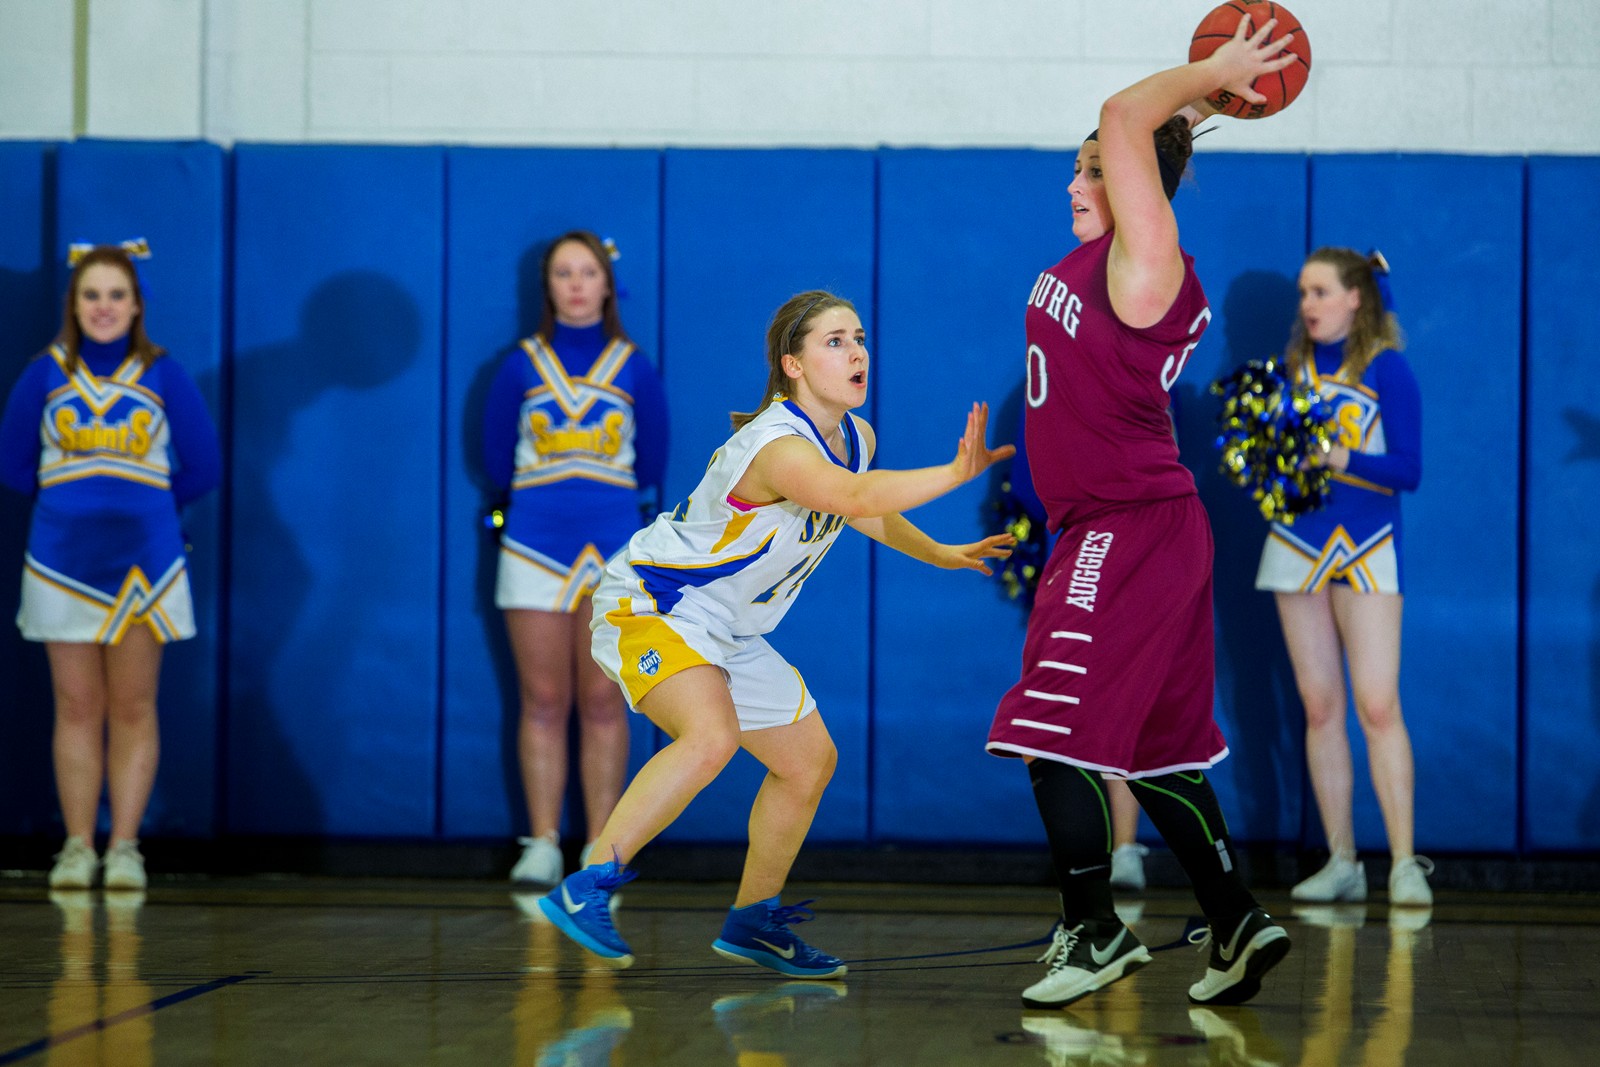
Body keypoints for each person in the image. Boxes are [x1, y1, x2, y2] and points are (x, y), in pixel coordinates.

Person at [537, 289, 1016, 976]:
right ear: (793, 364)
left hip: (726, 628)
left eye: (859, 338)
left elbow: (861, 510)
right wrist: (952, 473)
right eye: (834, 341)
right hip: (655, 606)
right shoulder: (776, 446)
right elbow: (852, 495)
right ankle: (588, 884)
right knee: (710, 737)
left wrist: (941, 552)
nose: (856, 352)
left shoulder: (856, 438)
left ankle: (754, 919)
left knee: (808, 761)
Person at [984, 17, 1298, 1009]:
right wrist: (1197, 109)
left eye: (1092, 170)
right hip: (1133, 527)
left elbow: (1124, 114)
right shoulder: (1107, 261)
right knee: (1161, 749)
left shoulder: (1145, 260)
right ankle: (1235, 920)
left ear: (1132, 186)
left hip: (1120, 525)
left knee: (1047, 727)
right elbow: (1138, 129)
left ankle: (1092, 929)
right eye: (1078, 170)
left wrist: (1214, 71)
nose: (1075, 184)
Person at [0, 244, 221, 891]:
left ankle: (125, 847)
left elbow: (204, 467)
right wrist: (70, 505)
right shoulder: (44, 373)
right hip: (60, 562)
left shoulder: (163, 373)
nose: (103, 307)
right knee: (75, 705)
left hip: (143, 565)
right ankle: (76, 847)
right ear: (72, 304)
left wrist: (148, 509)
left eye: (116, 295)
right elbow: (12, 464)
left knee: (132, 705)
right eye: (91, 295)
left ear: (137, 304)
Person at [482, 230, 670, 887]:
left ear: (608, 283)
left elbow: (653, 464)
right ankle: (539, 842)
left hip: (614, 550)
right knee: (541, 698)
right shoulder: (519, 366)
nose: (577, 285)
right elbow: (494, 461)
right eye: (564, 273)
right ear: (548, 286)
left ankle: (601, 848)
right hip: (533, 545)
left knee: (603, 699)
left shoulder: (634, 366)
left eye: (588, 272)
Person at [1254, 248, 1429, 907]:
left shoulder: (1387, 367)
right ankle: (1341, 860)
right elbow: (1270, 461)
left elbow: (1409, 470)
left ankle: (1405, 863)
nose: (1308, 303)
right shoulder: (1290, 370)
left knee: (1377, 705)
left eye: (1321, 291)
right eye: (1303, 291)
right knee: (1320, 706)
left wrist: (1341, 457)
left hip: (1368, 545)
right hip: (1296, 544)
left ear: (1356, 296)